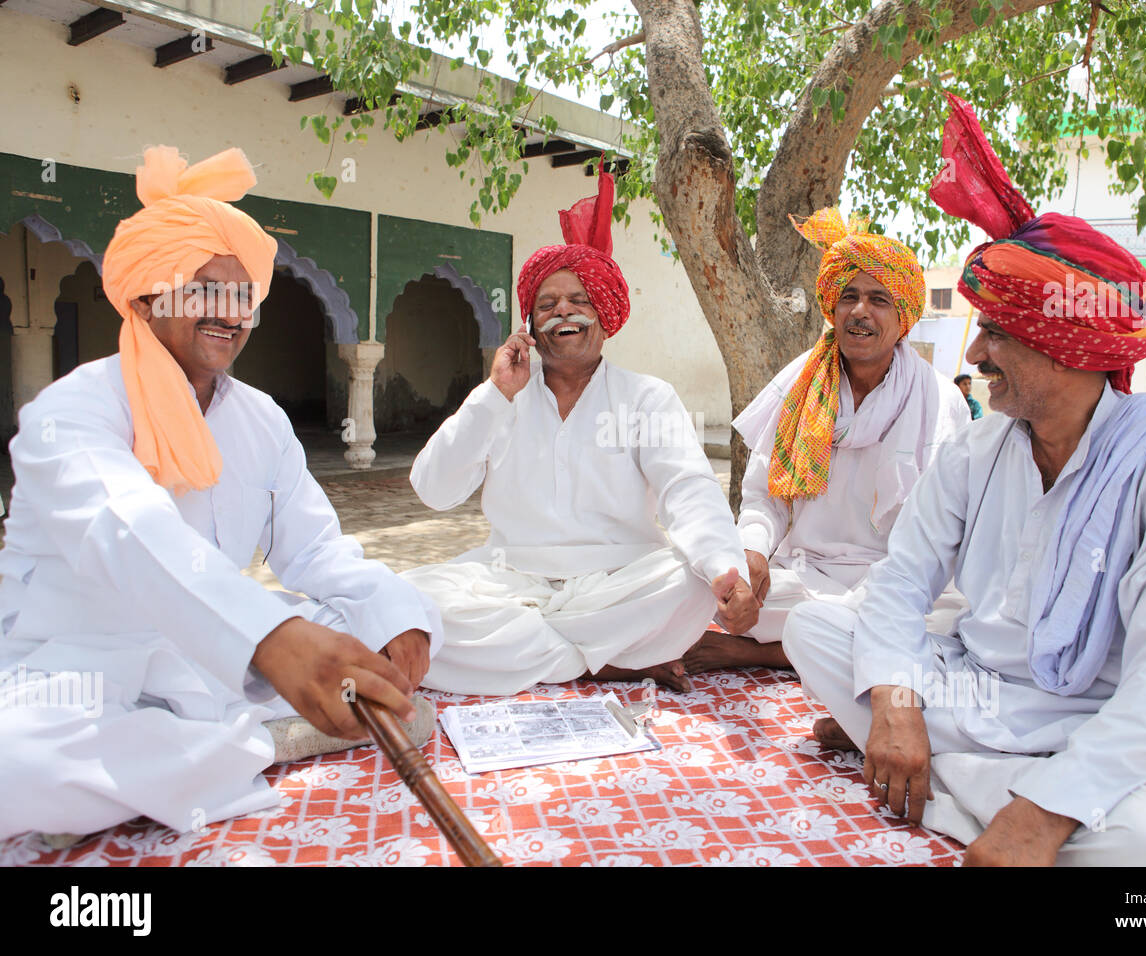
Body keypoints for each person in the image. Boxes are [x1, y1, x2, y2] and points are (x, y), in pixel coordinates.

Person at [784, 93, 1146, 866]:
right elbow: (900, 584)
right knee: (813, 628)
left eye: (996, 333)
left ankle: (958, 785)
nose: (977, 355)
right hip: (984, 695)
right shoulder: (979, 451)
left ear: (1064, 347)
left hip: (1112, 723)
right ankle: (938, 762)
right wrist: (893, 702)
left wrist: (1046, 815)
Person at [0, 147, 440, 847]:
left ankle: (215, 747)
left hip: (211, 663)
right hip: (75, 671)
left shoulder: (259, 417)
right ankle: (262, 743)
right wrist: (272, 642)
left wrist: (394, 621)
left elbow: (316, 549)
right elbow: (130, 530)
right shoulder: (70, 412)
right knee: (14, 765)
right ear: (146, 297)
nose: (228, 315)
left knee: (409, 607)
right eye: (202, 290)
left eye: (242, 297)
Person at [401, 171, 757, 697]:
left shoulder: (646, 397)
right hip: (511, 581)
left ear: (604, 316)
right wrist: (494, 395)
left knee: (691, 584)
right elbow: (433, 490)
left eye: (578, 300)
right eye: (546, 304)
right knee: (401, 604)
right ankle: (600, 663)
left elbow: (688, 489)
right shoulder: (503, 397)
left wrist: (727, 571)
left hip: (620, 585)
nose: (562, 311)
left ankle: (541, 657)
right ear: (531, 322)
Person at [684, 210, 969, 674]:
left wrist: (877, 595)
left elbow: (935, 540)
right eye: (849, 297)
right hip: (800, 574)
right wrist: (753, 552)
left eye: (879, 299)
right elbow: (763, 498)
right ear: (832, 309)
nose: (860, 311)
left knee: (940, 621)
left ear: (904, 318)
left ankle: (761, 655)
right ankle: (813, 646)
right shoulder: (801, 382)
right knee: (694, 582)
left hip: (892, 581)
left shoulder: (940, 400)